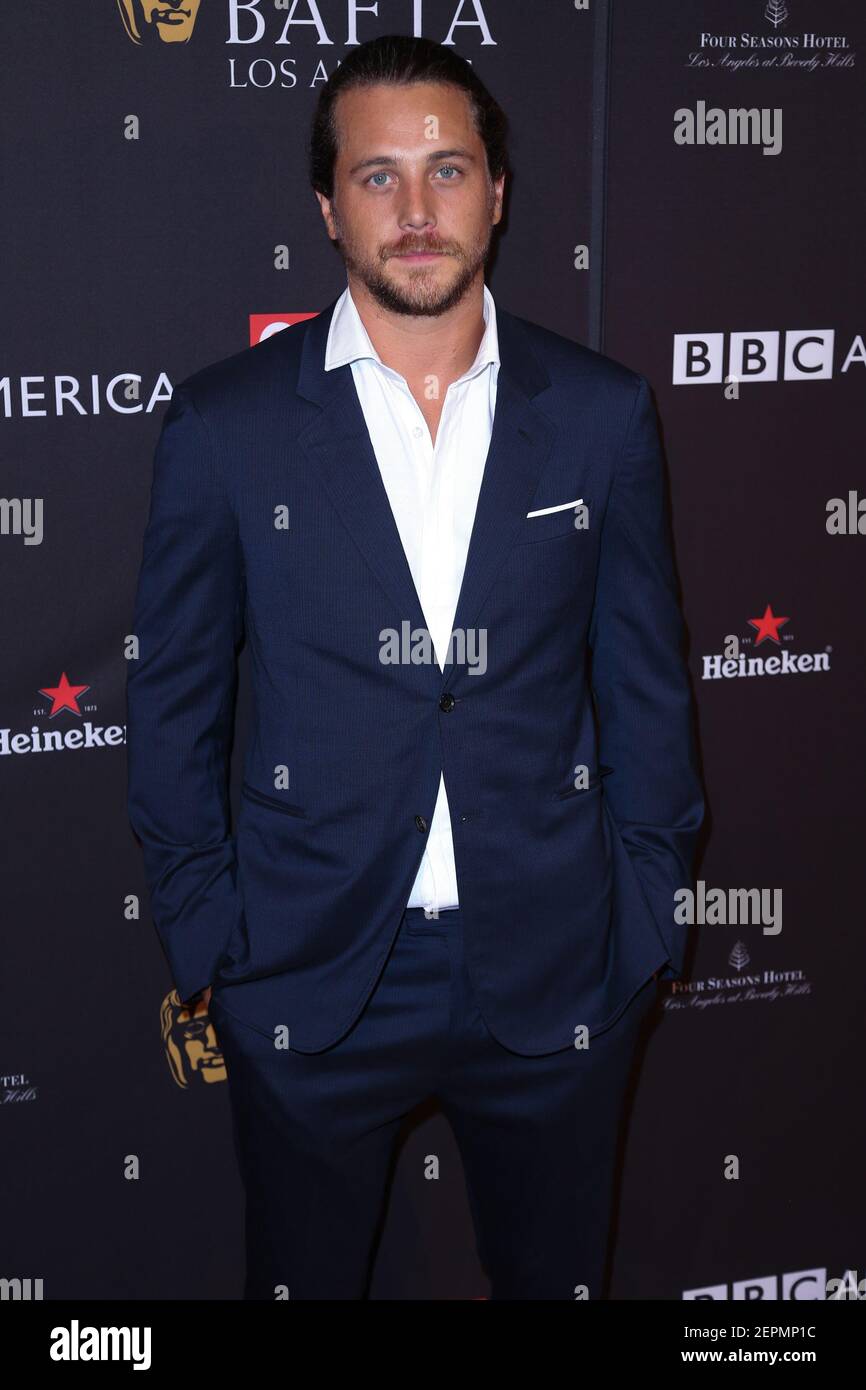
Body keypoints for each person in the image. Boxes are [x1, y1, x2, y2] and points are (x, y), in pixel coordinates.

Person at [126, 33, 704, 1300]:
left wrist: (648, 914)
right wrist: (209, 940)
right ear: (326, 207)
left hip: (559, 971)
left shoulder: (600, 413)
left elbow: (646, 683)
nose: (415, 208)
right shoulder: (226, 426)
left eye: (447, 169)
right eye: (376, 176)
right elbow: (170, 703)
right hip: (310, 974)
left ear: (497, 191)